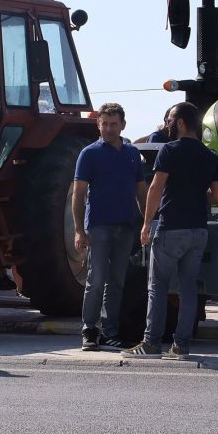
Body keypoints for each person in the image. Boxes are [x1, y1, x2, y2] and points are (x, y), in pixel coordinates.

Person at [123, 101, 218, 358]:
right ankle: (181, 345)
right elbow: (217, 196)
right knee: (188, 287)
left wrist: (146, 223)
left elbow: (155, 188)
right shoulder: (210, 156)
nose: (167, 125)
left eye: (169, 121)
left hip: (171, 229)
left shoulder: (169, 150)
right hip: (199, 230)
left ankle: (151, 343)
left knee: (157, 286)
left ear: (180, 123)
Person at [73, 102, 147, 351]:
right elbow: (78, 193)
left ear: (122, 125)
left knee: (117, 281)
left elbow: (141, 190)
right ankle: (89, 330)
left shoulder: (132, 154)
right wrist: (78, 230)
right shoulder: (89, 154)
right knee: (96, 279)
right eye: (104, 123)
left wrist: (147, 221)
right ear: (98, 125)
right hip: (98, 226)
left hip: (126, 226)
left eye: (113, 124)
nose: (109, 128)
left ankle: (110, 330)